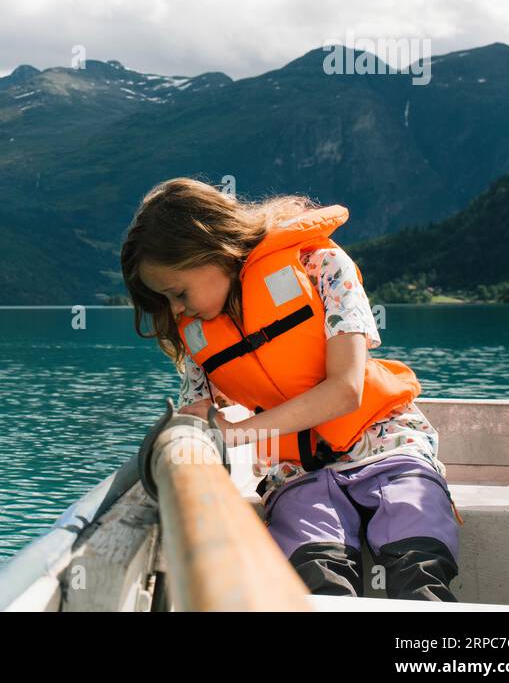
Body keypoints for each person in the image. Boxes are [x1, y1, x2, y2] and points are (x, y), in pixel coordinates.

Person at [119, 177, 462, 600]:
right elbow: (199, 418)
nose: (175, 309)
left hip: (387, 443)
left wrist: (239, 432)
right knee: (317, 577)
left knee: (418, 563)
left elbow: (346, 391)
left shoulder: (321, 265)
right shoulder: (197, 334)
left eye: (177, 292)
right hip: (296, 471)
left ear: (210, 248)